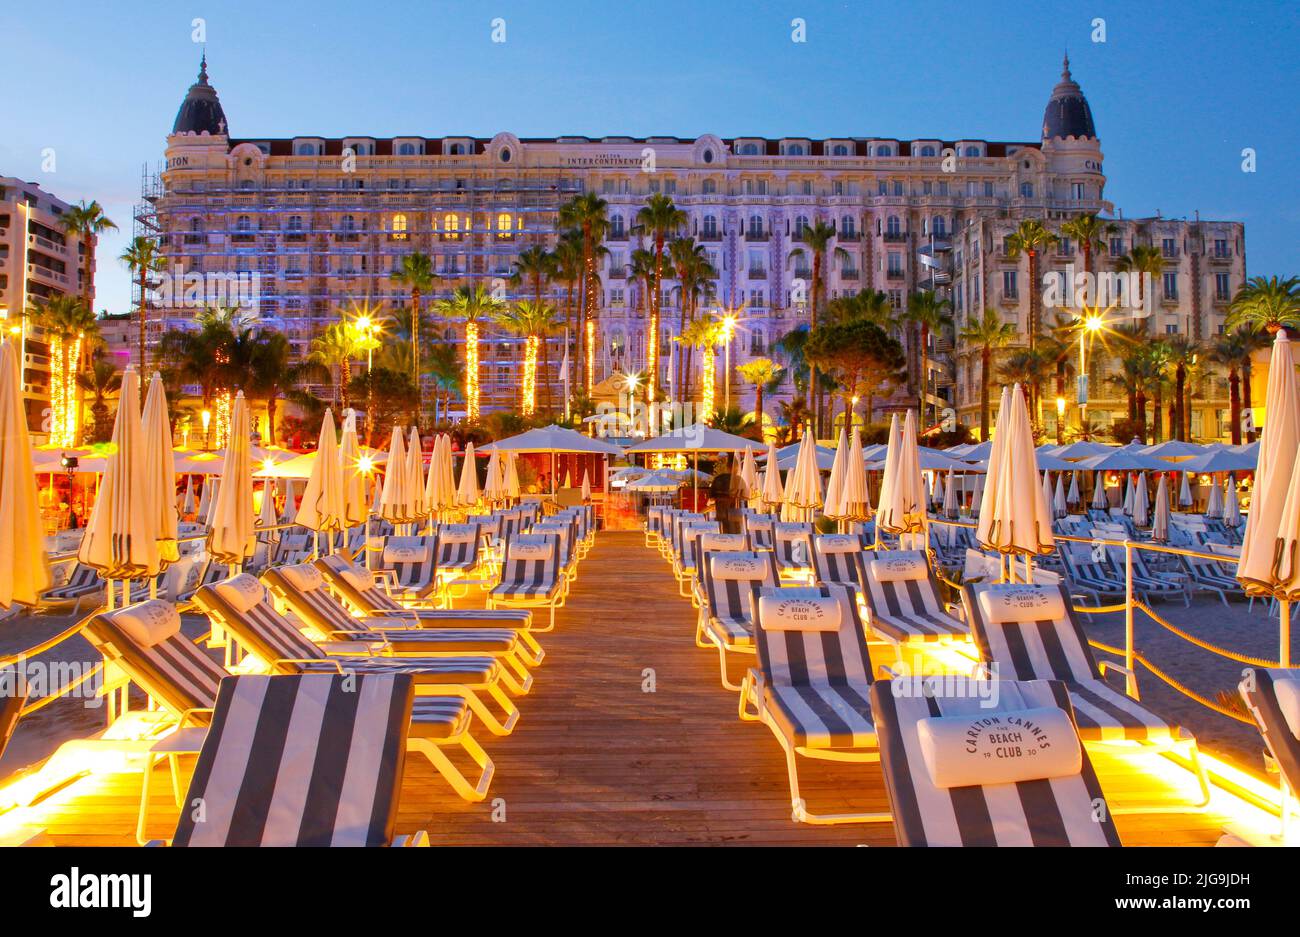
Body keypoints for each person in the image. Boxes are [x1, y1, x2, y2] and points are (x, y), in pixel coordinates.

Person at [710, 455, 742, 534]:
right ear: (736, 467)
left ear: (727, 467)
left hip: (721, 515)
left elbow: (711, 497)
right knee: (734, 537)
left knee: (722, 536)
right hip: (734, 515)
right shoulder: (738, 480)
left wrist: (721, 498)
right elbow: (743, 496)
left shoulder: (718, 479)